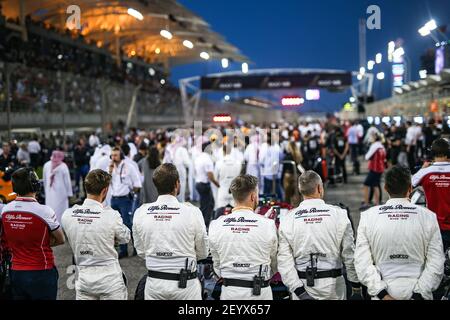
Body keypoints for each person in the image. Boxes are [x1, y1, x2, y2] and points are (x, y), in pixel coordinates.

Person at [355, 165, 445, 300]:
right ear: (410, 188)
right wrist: (419, 293)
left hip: (382, 292)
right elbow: (437, 261)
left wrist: (382, 294)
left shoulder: (368, 216)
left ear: (385, 188)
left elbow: (362, 262)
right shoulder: (428, 217)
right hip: (419, 290)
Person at [277, 171, 360, 300]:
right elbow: (349, 255)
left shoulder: (288, 219)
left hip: (302, 286)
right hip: (333, 288)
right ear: (319, 188)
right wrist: (355, 287)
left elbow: (284, 262)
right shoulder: (339, 215)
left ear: (300, 190)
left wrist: (300, 291)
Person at [133, 163, 208, 300]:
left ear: (156, 185)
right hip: (186, 286)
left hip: (155, 283)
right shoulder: (192, 212)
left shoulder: (141, 212)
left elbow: (141, 251)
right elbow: (203, 251)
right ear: (177, 184)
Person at [62, 169, 130, 300]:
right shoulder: (111, 215)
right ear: (105, 191)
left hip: (83, 278)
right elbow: (126, 237)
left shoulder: (68, 215)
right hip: (110, 280)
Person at [208, 175, 278, 300]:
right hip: (260, 293)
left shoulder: (216, 225)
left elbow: (217, 264)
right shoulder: (268, 225)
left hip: (229, 293)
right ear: (253, 196)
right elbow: (274, 263)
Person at [0, 168, 65, 300]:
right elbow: (61, 239)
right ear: (35, 185)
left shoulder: (5, 210)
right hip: (41, 271)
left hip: (16, 272)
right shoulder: (45, 211)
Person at [412, 138, 450, 251]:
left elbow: (406, 187)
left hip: (434, 225)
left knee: (436, 261)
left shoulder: (425, 172)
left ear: (432, 154)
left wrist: (422, 169)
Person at [109, 147, 142, 258]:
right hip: (114, 199)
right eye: (112, 155)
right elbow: (106, 183)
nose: (113, 157)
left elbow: (137, 183)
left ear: (121, 156)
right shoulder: (110, 167)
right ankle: (123, 250)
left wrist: (131, 193)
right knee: (117, 226)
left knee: (128, 224)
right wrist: (109, 171)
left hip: (125, 199)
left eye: (115, 155)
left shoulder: (129, 167)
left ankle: (136, 248)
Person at [43, 150, 73, 223]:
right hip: (61, 193)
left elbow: (45, 180)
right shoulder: (63, 166)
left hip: (49, 191)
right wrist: (70, 194)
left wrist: (45, 190)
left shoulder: (46, 165)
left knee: (50, 210)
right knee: (61, 211)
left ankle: (51, 226)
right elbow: (67, 182)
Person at [194, 142, 220, 227]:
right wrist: (218, 185)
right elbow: (210, 176)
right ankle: (205, 226)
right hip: (204, 185)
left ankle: (201, 224)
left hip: (198, 183)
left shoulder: (199, 157)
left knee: (206, 205)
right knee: (208, 207)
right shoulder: (207, 159)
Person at [163, 136, 192, 202]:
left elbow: (164, 161)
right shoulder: (182, 149)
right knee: (180, 190)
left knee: (170, 190)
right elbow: (187, 162)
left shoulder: (169, 148)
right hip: (180, 173)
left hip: (169, 172)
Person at [214, 143, 243, 209]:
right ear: (231, 150)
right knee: (235, 212)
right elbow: (239, 176)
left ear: (223, 151)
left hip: (222, 190)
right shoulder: (238, 163)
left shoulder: (219, 163)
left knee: (220, 212)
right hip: (234, 191)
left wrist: (220, 186)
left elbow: (215, 178)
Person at [361, 133, 386, 209]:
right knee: (375, 185)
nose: (370, 138)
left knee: (366, 184)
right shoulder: (381, 146)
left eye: (371, 137)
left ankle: (366, 202)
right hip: (380, 168)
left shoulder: (374, 146)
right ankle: (377, 203)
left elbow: (367, 157)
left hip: (375, 169)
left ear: (375, 138)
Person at [281, 141, 302, 206]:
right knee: (297, 195)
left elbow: (284, 169)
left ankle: (289, 209)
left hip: (288, 176)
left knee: (287, 196)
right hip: (297, 176)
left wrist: (281, 179)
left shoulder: (287, 157)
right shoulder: (299, 156)